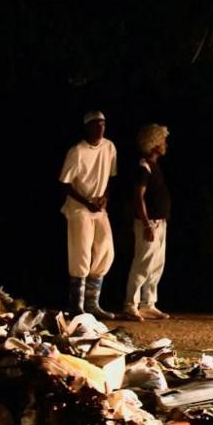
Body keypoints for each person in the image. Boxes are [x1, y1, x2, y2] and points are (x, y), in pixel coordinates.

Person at [59, 110, 117, 319]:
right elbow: (65, 183)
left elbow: (110, 176)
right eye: (96, 124)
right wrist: (86, 202)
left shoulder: (109, 147)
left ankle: (92, 303)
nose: (101, 127)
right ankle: (76, 305)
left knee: (106, 250)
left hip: (98, 208)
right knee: (81, 253)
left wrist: (104, 198)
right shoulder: (77, 151)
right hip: (79, 208)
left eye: (103, 123)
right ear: (88, 127)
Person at [122, 124, 171, 321]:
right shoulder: (143, 167)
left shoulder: (154, 166)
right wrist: (146, 224)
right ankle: (130, 304)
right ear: (154, 143)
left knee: (156, 264)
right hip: (148, 223)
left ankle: (148, 303)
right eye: (162, 141)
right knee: (143, 263)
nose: (165, 144)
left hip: (159, 222)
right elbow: (138, 197)